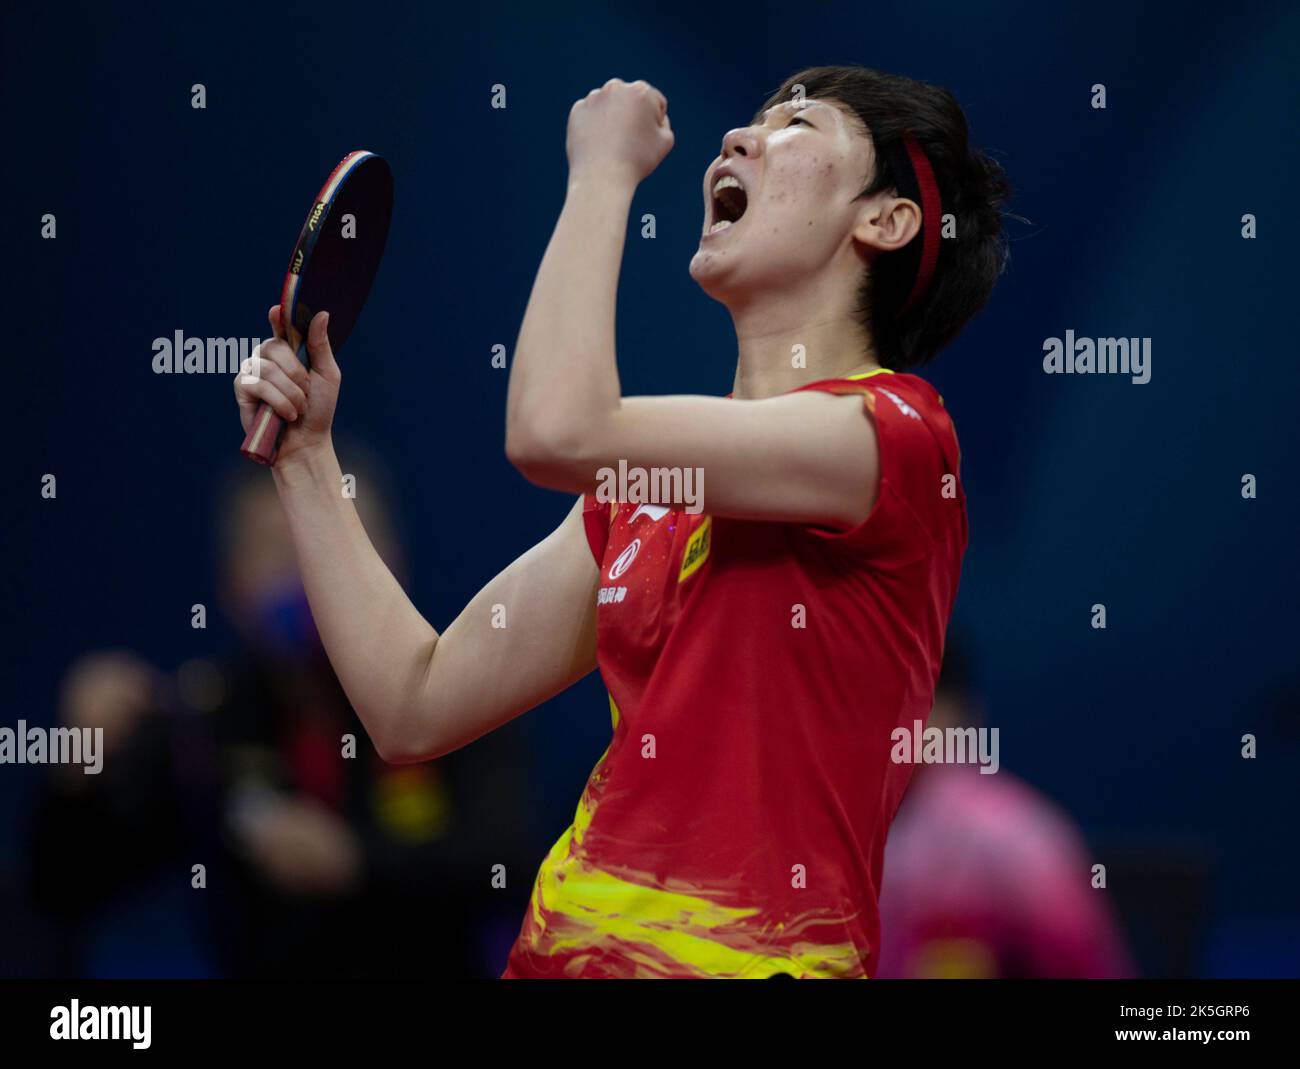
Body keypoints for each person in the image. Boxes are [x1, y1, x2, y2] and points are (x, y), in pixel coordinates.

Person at [233, 65, 1010, 978]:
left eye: (798, 123)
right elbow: (414, 701)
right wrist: (309, 462)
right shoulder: (639, 489)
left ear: (884, 219)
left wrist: (601, 174)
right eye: (752, 120)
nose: (738, 139)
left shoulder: (901, 441)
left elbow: (555, 429)